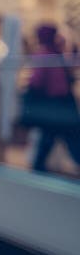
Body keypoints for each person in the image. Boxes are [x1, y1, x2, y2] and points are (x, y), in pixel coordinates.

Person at [24, 25, 80, 172]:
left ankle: (37, 170)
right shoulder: (55, 53)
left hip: (55, 105)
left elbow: (36, 81)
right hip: (60, 105)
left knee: (57, 139)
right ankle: (37, 169)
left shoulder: (46, 54)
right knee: (62, 139)